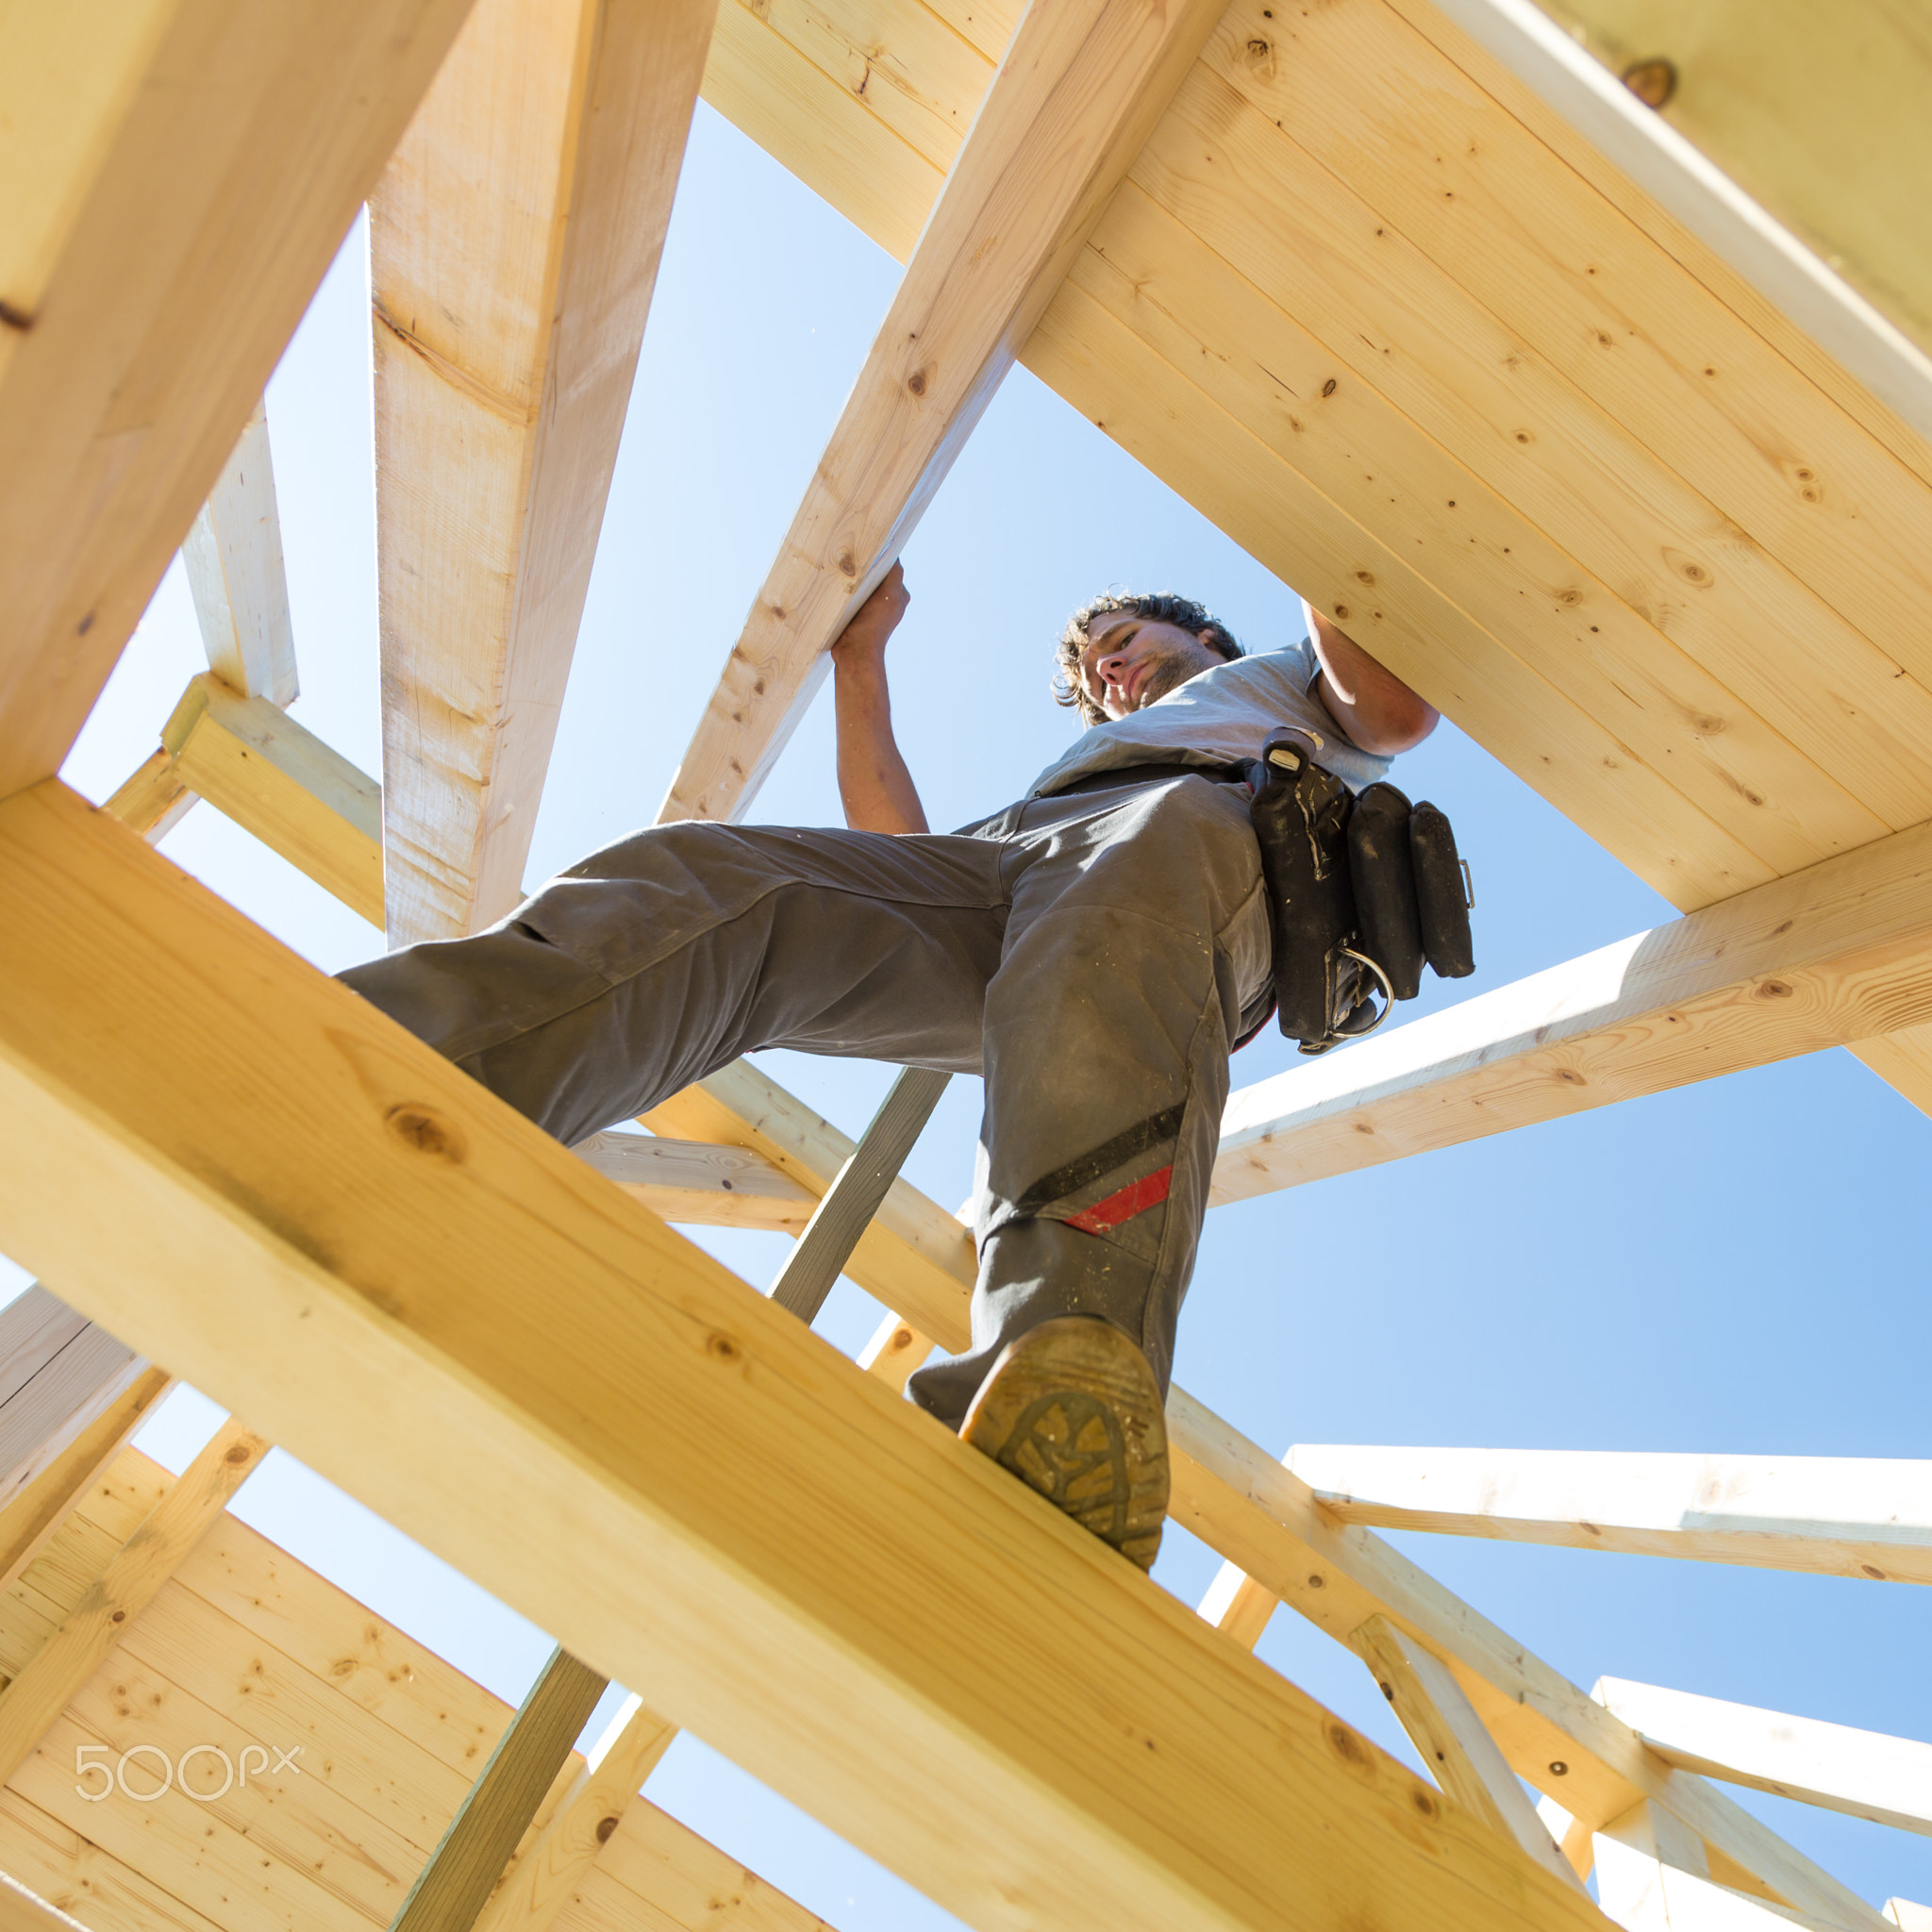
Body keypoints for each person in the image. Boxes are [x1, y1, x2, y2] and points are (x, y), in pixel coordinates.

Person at [339, 565, 1437, 1570]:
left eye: (1123, 632)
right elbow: (898, 848)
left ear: (1197, 629)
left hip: (1199, 850)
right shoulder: (1081, 762)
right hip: (1020, 868)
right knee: (718, 882)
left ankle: (1057, 1387)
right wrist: (858, 662)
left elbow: (1390, 709)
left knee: (1107, 934)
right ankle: (423, 1059)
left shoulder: (1277, 683)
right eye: (1093, 665)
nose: (1105, 663)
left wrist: (1317, 542)